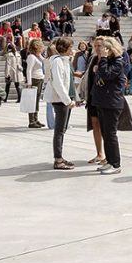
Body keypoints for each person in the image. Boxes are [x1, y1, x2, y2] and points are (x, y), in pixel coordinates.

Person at [91, 36, 126, 174]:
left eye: (104, 48)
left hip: (112, 103)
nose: (101, 50)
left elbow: (106, 75)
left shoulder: (118, 62)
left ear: (110, 49)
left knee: (111, 134)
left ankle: (116, 164)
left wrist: (103, 60)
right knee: (105, 133)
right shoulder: (107, 61)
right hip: (102, 101)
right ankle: (109, 161)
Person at [44, 36, 77, 170]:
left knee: (62, 130)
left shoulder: (64, 60)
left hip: (65, 99)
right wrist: (67, 100)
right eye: (70, 47)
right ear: (65, 48)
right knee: (59, 131)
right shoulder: (57, 62)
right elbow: (58, 83)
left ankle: (60, 157)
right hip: (61, 100)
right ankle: (58, 160)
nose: (72, 50)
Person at [78, 36, 107, 166]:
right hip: (93, 97)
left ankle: (108, 154)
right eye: (95, 45)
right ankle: (99, 153)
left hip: (106, 98)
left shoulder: (110, 59)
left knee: (106, 127)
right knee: (95, 125)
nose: (97, 48)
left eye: (100, 45)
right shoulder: (93, 59)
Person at [24, 38, 45, 128]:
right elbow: (29, 70)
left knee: (36, 101)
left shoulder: (38, 56)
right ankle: (31, 121)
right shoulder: (31, 57)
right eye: (41, 47)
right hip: (34, 79)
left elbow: (45, 62)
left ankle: (36, 119)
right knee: (32, 101)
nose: (42, 48)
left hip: (40, 79)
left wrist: (39, 55)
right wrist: (29, 82)